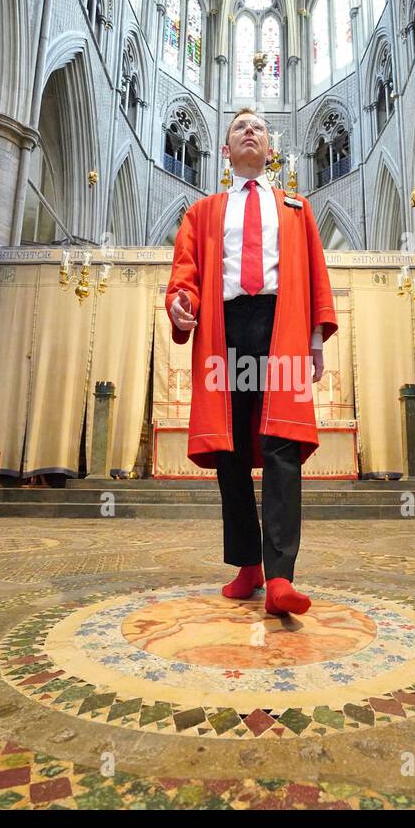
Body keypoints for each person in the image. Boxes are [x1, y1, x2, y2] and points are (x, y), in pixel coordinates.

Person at [166, 107, 337, 616]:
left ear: (269, 150)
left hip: (280, 327)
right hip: (225, 329)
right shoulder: (202, 213)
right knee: (231, 450)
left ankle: (282, 575)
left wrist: (314, 339)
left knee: (282, 446)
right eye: (239, 126)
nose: (248, 131)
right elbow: (186, 274)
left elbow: (314, 276)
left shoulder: (296, 208)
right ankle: (248, 566)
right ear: (225, 150)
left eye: (258, 128)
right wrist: (179, 303)